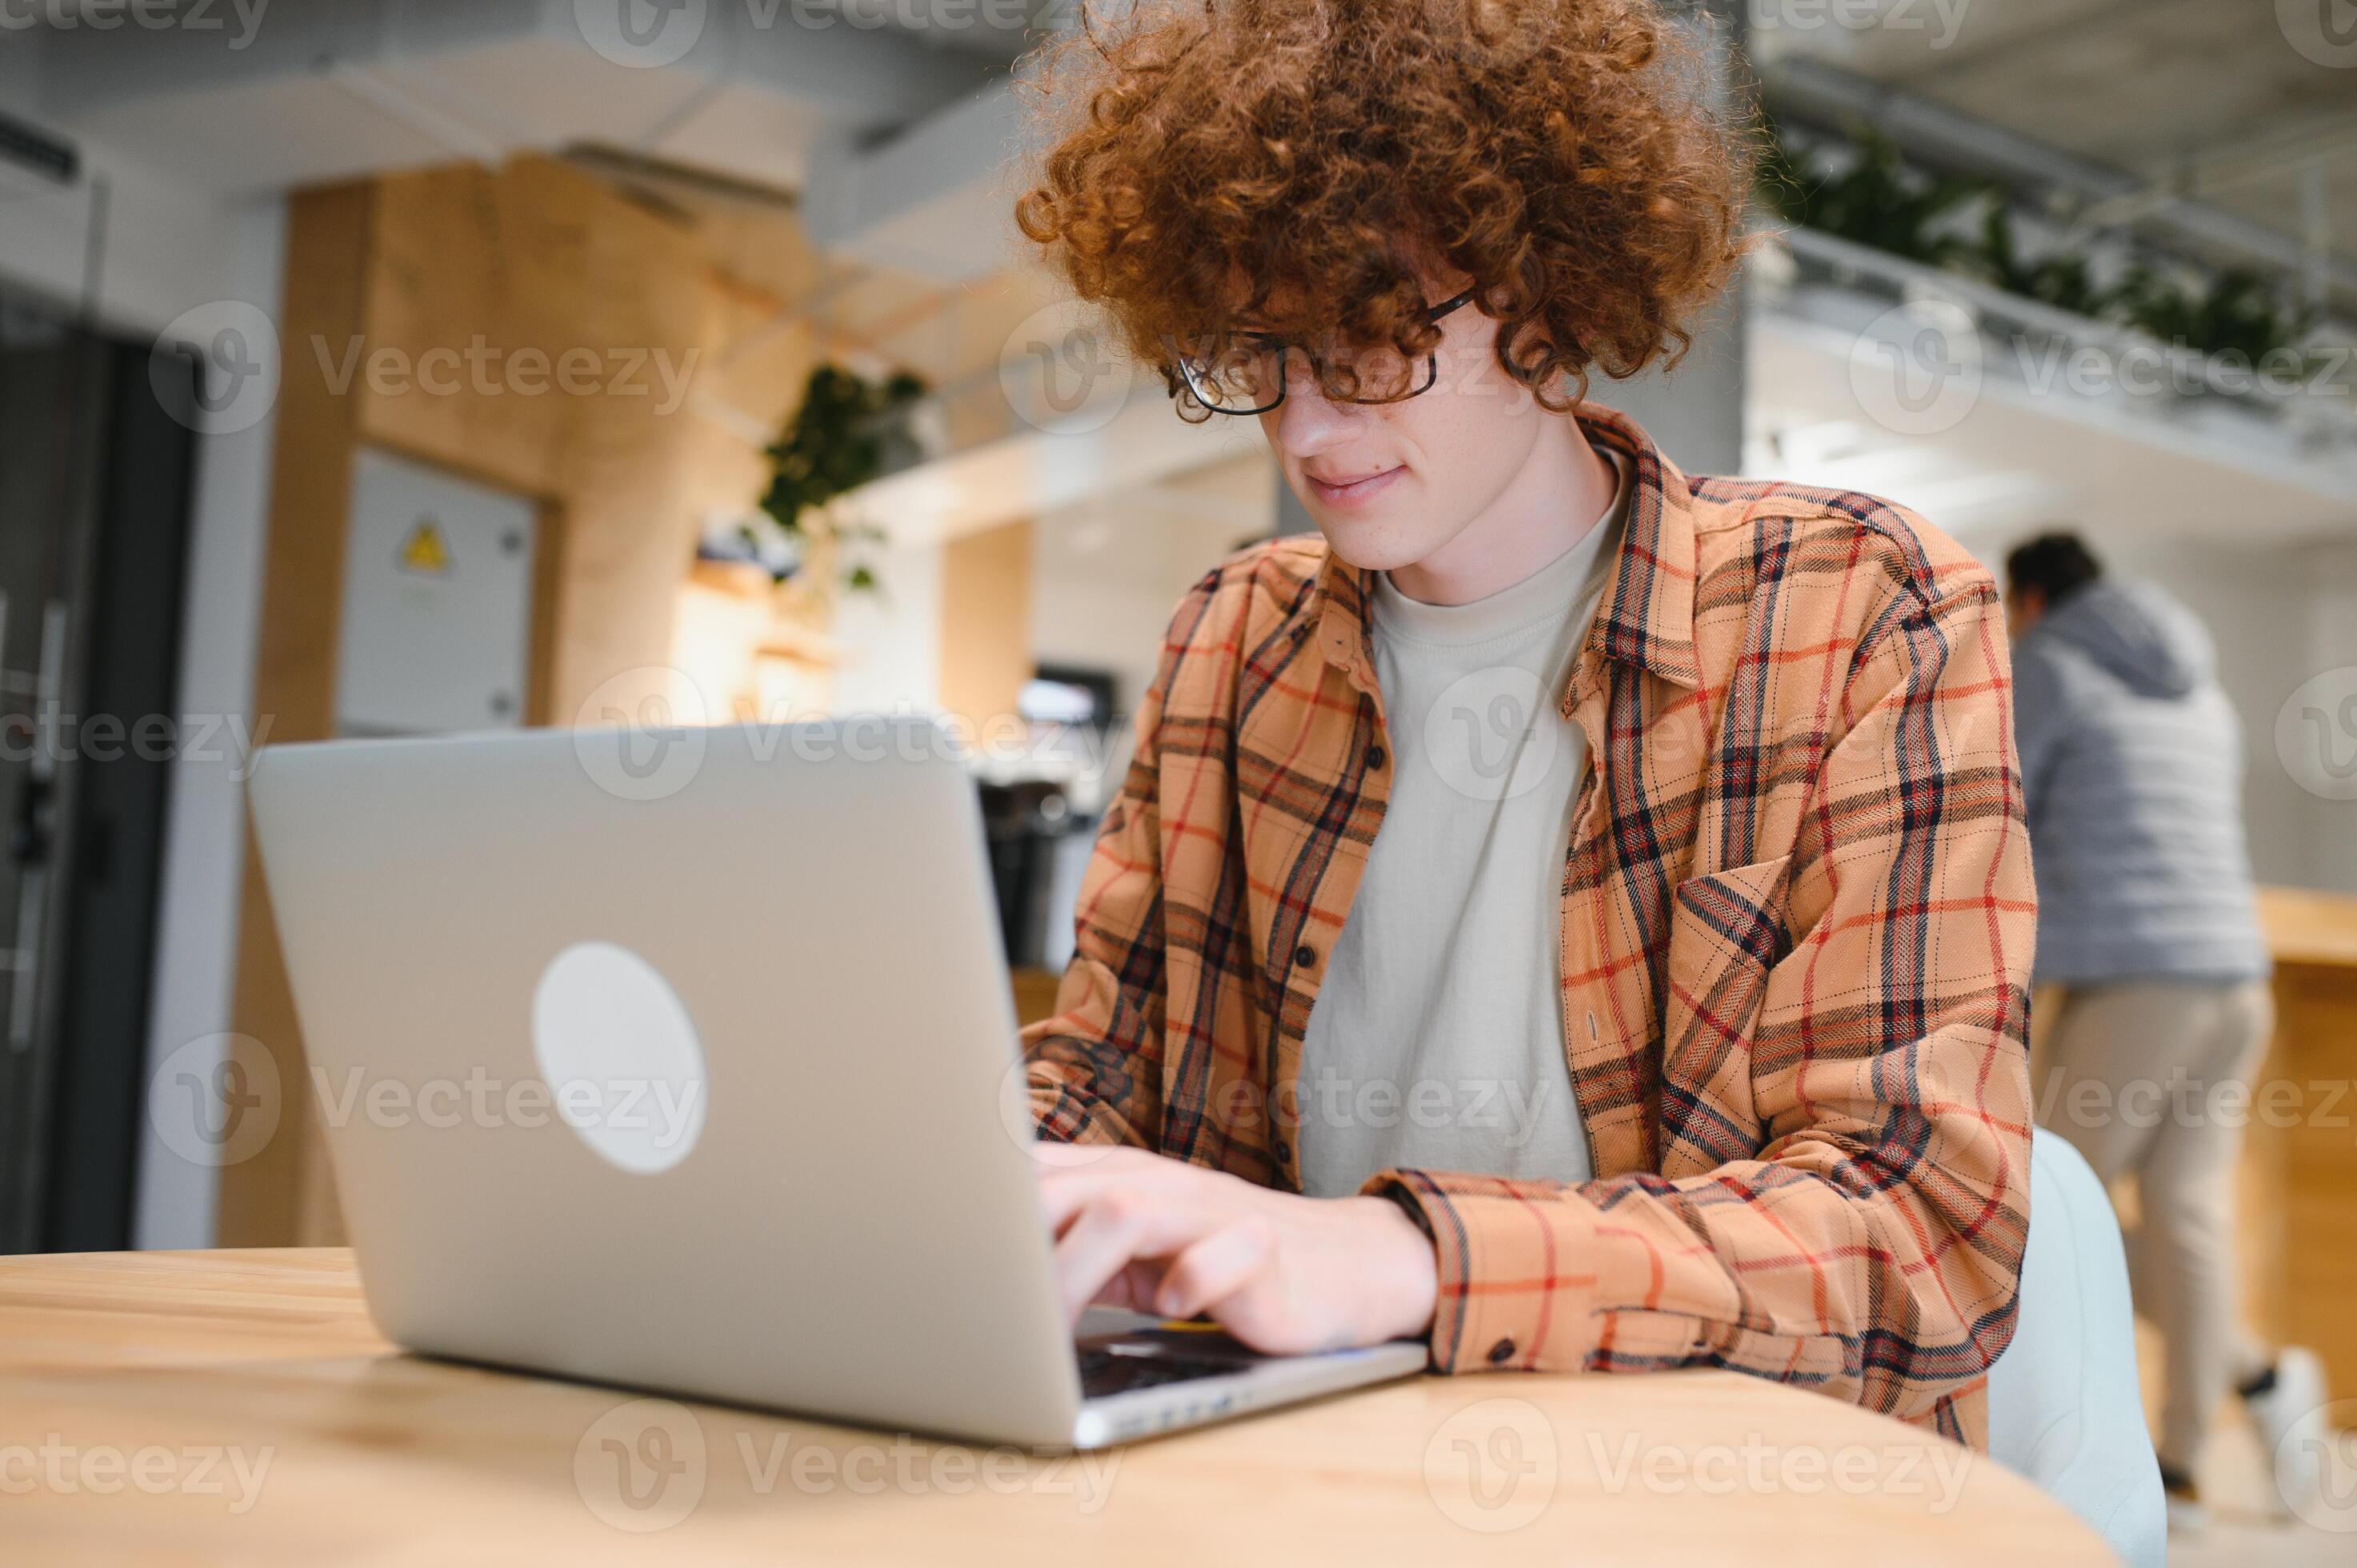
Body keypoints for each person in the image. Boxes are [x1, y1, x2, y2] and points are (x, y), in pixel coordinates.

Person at [1011, 0, 2035, 1448]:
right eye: (1258, 358)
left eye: (1369, 344)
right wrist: (957, 1182)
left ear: (1547, 299)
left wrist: (1412, 1259)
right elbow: (1105, 1081)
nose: (1305, 431)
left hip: (1704, 1490)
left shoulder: (1857, 608)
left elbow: (1918, 1232)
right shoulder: (1234, 639)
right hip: (1294, 1468)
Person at [2006, 531, 2327, 1527]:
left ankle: (2088, 1452)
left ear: (2027, 601)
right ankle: (2201, 1442)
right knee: (2187, 1210)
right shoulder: (2200, 683)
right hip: (2235, 979)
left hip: (2134, 982)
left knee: (2050, 1209)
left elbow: (1994, 797)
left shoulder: (2049, 662)